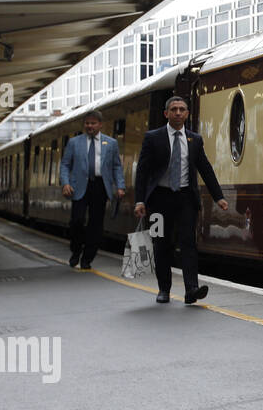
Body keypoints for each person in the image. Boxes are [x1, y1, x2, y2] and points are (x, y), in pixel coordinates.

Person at [133, 95, 228, 305]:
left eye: (182, 109)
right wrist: (140, 201)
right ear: (166, 114)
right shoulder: (153, 137)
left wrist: (218, 196)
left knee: (188, 243)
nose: (178, 113)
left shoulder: (195, 139)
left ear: (187, 114)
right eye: (174, 109)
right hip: (159, 199)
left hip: (186, 198)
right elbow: (142, 172)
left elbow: (205, 168)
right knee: (161, 244)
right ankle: (164, 289)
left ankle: (191, 290)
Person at [59, 111, 125, 268]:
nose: (90, 126)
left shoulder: (111, 143)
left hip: (100, 186)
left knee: (96, 224)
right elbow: (65, 164)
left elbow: (116, 166)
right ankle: (76, 250)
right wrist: (66, 183)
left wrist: (120, 186)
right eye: (87, 123)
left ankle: (87, 258)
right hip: (79, 186)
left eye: (93, 123)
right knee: (77, 220)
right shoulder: (74, 142)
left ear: (100, 125)